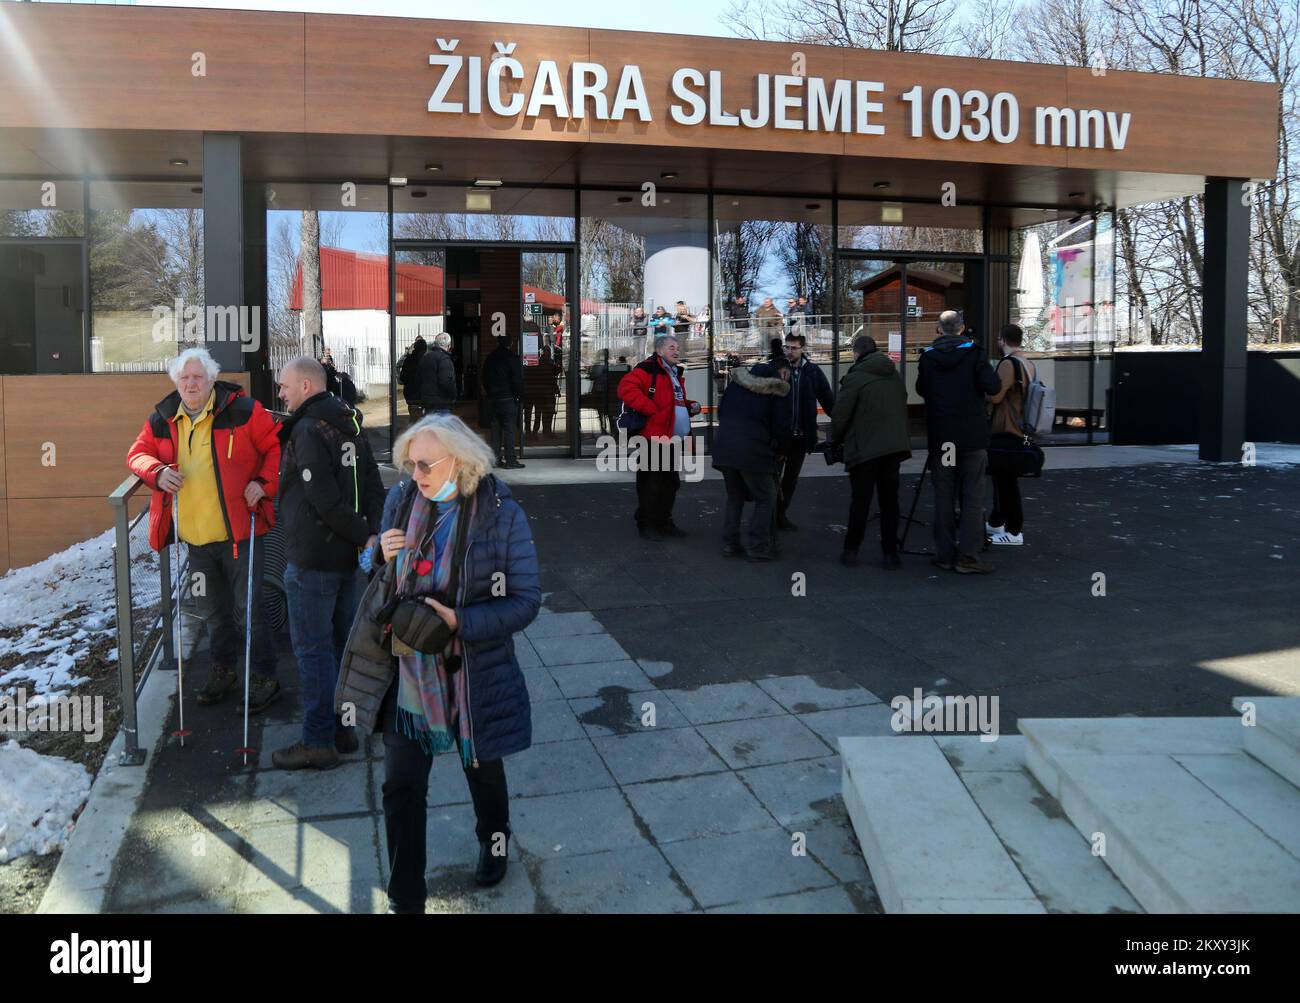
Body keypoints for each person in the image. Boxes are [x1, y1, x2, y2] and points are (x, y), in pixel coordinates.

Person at [336, 413, 540, 909]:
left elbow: (525, 600)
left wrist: (460, 621)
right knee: (401, 788)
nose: (415, 474)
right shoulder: (402, 499)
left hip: (471, 671)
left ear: (460, 461)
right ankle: (407, 898)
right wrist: (377, 557)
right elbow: (376, 575)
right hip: (407, 672)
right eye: (409, 464)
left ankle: (495, 843)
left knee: (483, 771)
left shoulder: (499, 513)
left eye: (425, 464)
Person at [126, 347, 282, 712]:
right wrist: (158, 472)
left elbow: (276, 449)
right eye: (185, 378)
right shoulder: (163, 418)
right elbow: (136, 454)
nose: (191, 383)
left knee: (250, 610)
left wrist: (263, 482)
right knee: (212, 612)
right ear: (176, 383)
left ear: (211, 380)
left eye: (198, 377)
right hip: (195, 541)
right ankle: (223, 670)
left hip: (241, 536)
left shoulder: (243, 411)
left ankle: (264, 676)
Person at [272, 357, 385, 769]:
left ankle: (318, 740)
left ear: (305, 385)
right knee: (341, 645)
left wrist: (364, 535)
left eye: (284, 386)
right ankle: (343, 727)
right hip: (347, 559)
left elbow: (322, 500)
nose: (280, 393)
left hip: (313, 559)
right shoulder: (349, 420)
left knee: (314, 651)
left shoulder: (306, 428)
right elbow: (373, 482)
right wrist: (369, 533)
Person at [915, 310, 1001, 574]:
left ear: (939, 330)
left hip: (944, 440)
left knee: (944, 495)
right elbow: (994, 386)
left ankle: (945, 553)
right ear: (961, 329)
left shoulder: (928, 358)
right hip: (972, 438)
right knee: (972, 496)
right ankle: (968, 557)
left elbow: (921, 389)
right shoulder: (975, 354)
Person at [831, 336, 911, 569]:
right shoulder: (893, 374)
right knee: (890, 502)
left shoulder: (855, 378)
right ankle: (890, 553)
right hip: (893, 447)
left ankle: (851, 550)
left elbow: (840, 416)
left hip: (865, 448)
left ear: (856, 353)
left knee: (861, 501)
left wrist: (836, 441)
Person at [617, 333, 701, 539]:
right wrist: (650, 408)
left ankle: (663, 522)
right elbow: (625, 388)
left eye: (677, 348)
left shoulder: (672, 372)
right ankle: (647, 524)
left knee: (670, 483)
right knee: (651, 484)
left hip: (670, 438)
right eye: (672, 348)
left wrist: (690, 406)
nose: (677, 351)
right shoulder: (648, 368)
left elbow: (673, 402)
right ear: (660, 350)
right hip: (652, 438)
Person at [711, 355, 791, 561]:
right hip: (753, 451)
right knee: (766, 497)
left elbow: (721, 413)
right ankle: (758, 546)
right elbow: (781, 426)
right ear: (781, 373)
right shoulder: (777, 390)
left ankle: (730, 543)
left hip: (725, 448)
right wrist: (781, 449)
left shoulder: (735, 386)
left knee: (735, 496)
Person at [776, 332, 835, 530]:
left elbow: (827, 398)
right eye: (787, 347)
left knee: (790, 480)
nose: (790, 351)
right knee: (773, 478)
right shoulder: (777, 368)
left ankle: (781, 515)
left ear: (803, 349)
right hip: (779, 436)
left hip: (800, 437)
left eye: (794, 348)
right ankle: (770, 516)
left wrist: (841, 418)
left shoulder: (812, 372)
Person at [986, 323, 1036, 546]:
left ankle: (1014, 531)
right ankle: (997, 520)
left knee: (1006, 482)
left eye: (998, 339)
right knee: (1003, 478)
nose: (997, 342)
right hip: (1021, 430)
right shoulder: (1029, 363)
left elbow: (995, 396)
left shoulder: (1008, 364)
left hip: (1007, 429)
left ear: (1003, 341)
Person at [481, 336, 525, 469]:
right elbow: (517, 380)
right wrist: (518, 396)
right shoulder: (512, 358)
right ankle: (510, 460)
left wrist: (489, 393)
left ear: (497, 343)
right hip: (508, 399)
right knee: (509, 429)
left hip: (494, 399)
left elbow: (484, 377)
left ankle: (495, 459)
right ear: (511, 344)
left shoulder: (490, 358)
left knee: (495, 429)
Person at [417, 332, 457, 415]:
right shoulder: (444, 359)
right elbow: (446, 382)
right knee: (441, 428)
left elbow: (418, 378)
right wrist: (453, 396)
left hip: (427, 403)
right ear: (448, 345)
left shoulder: (425, 357)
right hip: (441, 404)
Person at [397, 337, 428, 422]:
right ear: (425, 349)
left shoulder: (408, 359)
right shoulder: (427, 360)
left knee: (413, 419)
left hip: (410, 396)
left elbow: (402, 377)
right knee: (424, 421)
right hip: (423, 397)